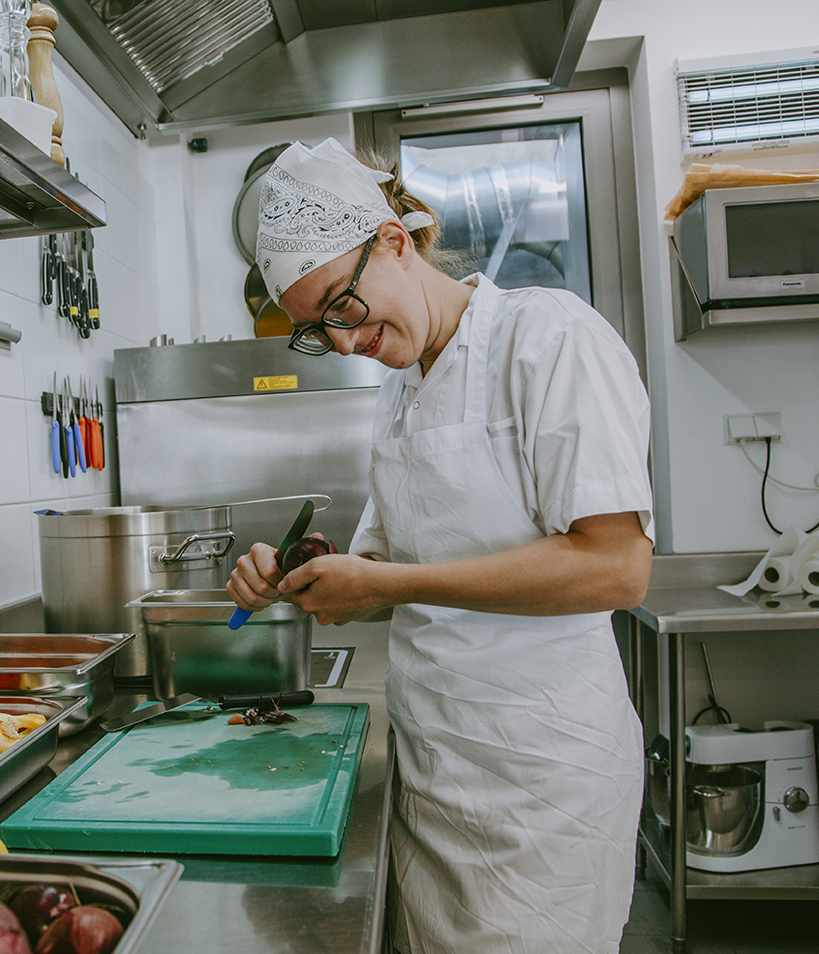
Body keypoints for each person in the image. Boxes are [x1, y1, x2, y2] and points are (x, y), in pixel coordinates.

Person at [227, 139, 653, 954]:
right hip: (435, 766)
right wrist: (298, 574)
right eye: (319, 331)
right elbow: (389, 569)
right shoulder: (399, 391)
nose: (344, 344)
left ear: (391, 240)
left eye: (341, 308)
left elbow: (616, 565)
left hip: (541, 781)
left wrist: (389, 584)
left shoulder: (546, 339)